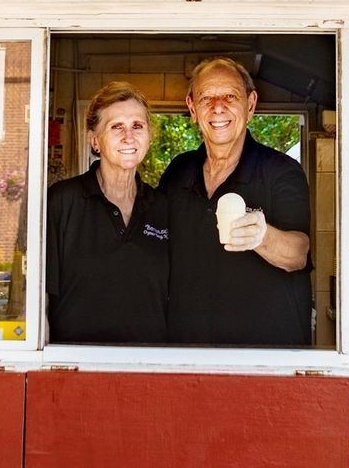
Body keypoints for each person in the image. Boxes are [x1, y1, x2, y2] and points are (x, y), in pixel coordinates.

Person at [160, 57, 312, 346]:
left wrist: (262, 236)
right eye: (207, 97)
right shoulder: (178, 172)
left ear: (251, 104)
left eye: (230, 96)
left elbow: (298, 254)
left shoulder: (280, 170)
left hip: (262, 352)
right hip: (187, 349)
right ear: (192, 108)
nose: (218, 107)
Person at [45, 82, 169, 343]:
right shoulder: (63, 201)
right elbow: (39, 298)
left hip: (148, 365)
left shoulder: (163, 207)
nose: (129, 136)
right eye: (116, 127)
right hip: (75, 365)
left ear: (149, 136)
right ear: (95, 141)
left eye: (137, 126)